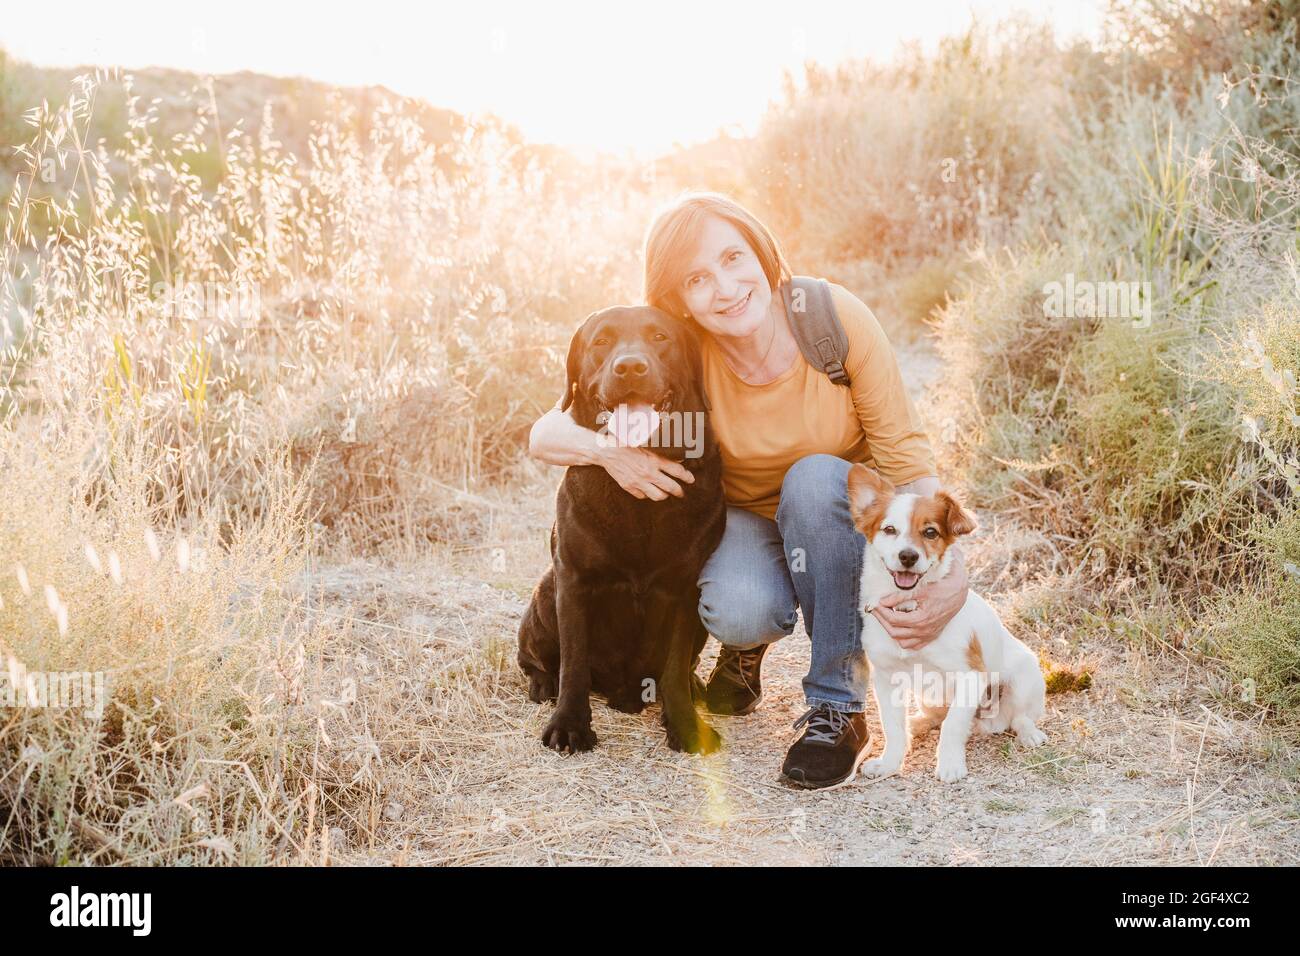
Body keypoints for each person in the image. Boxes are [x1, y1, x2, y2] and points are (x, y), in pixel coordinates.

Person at [528, 192, 969, 789]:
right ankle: (745, 652)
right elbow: (547, 431)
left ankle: (838, 706)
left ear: (763, 252)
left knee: (813, 479)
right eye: (698, 278)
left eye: (734, 258)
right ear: (677, 298)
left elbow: (905, 454)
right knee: (739, 608)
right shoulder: (683, 350)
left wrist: (951, 571)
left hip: (834, 518)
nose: (727, 287)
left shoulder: (831, 323)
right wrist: (610, 452)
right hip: (746, 523)